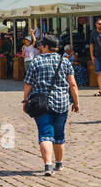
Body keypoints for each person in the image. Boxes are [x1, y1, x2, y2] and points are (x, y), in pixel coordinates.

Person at [22, 33, 81, 176]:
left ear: (46, 47)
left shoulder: (36, 62)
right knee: (59, 134)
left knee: (45, 133)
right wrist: (76, 102)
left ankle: (48, 165)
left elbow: (28, 84)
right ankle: (59, 164)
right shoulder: (65, 62)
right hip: (62, 102)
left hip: (41, 103)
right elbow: (72, 84)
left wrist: (25, 100)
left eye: (42, 45)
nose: (40, 48)